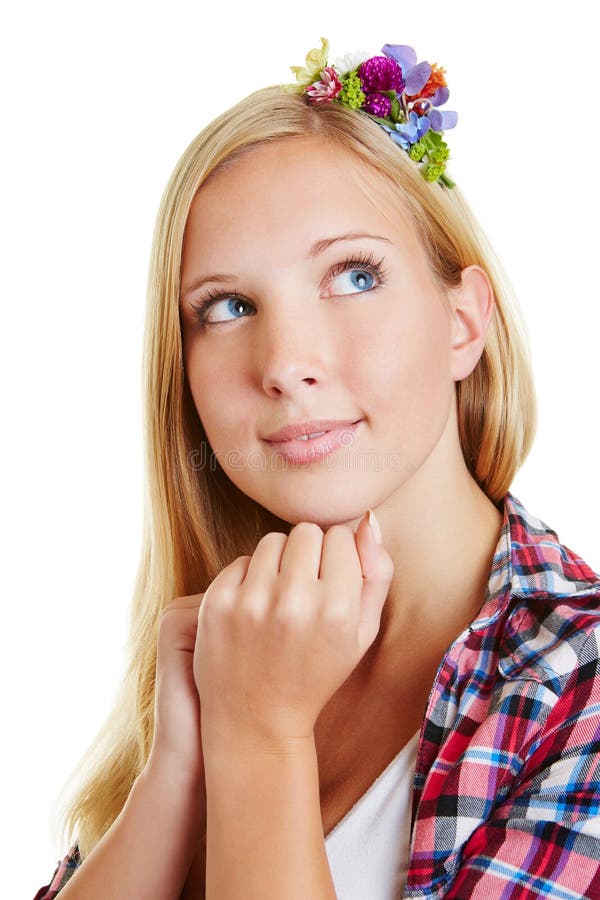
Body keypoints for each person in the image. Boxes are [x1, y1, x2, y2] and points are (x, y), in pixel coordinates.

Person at [34, 38, 600, 899]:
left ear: (463, 321)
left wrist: (262, 734)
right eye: (226, 307)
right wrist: (179, 770)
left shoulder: (578, 687)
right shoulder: (231, 650)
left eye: (353, 276)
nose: (284, 362)